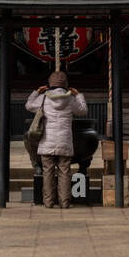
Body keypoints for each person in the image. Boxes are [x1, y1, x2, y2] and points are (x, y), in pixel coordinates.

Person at [25, 70, 88, 209]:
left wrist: (37, 92)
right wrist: (78, 95)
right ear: (66, 84)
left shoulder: (43, 98)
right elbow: (83, 110)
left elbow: (28, 105)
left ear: (49, 84)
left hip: (47, 141)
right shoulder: (70, 99)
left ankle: (48, 202)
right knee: (65, 172)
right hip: (64, 142)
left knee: (47, 172)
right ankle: (65, 203)